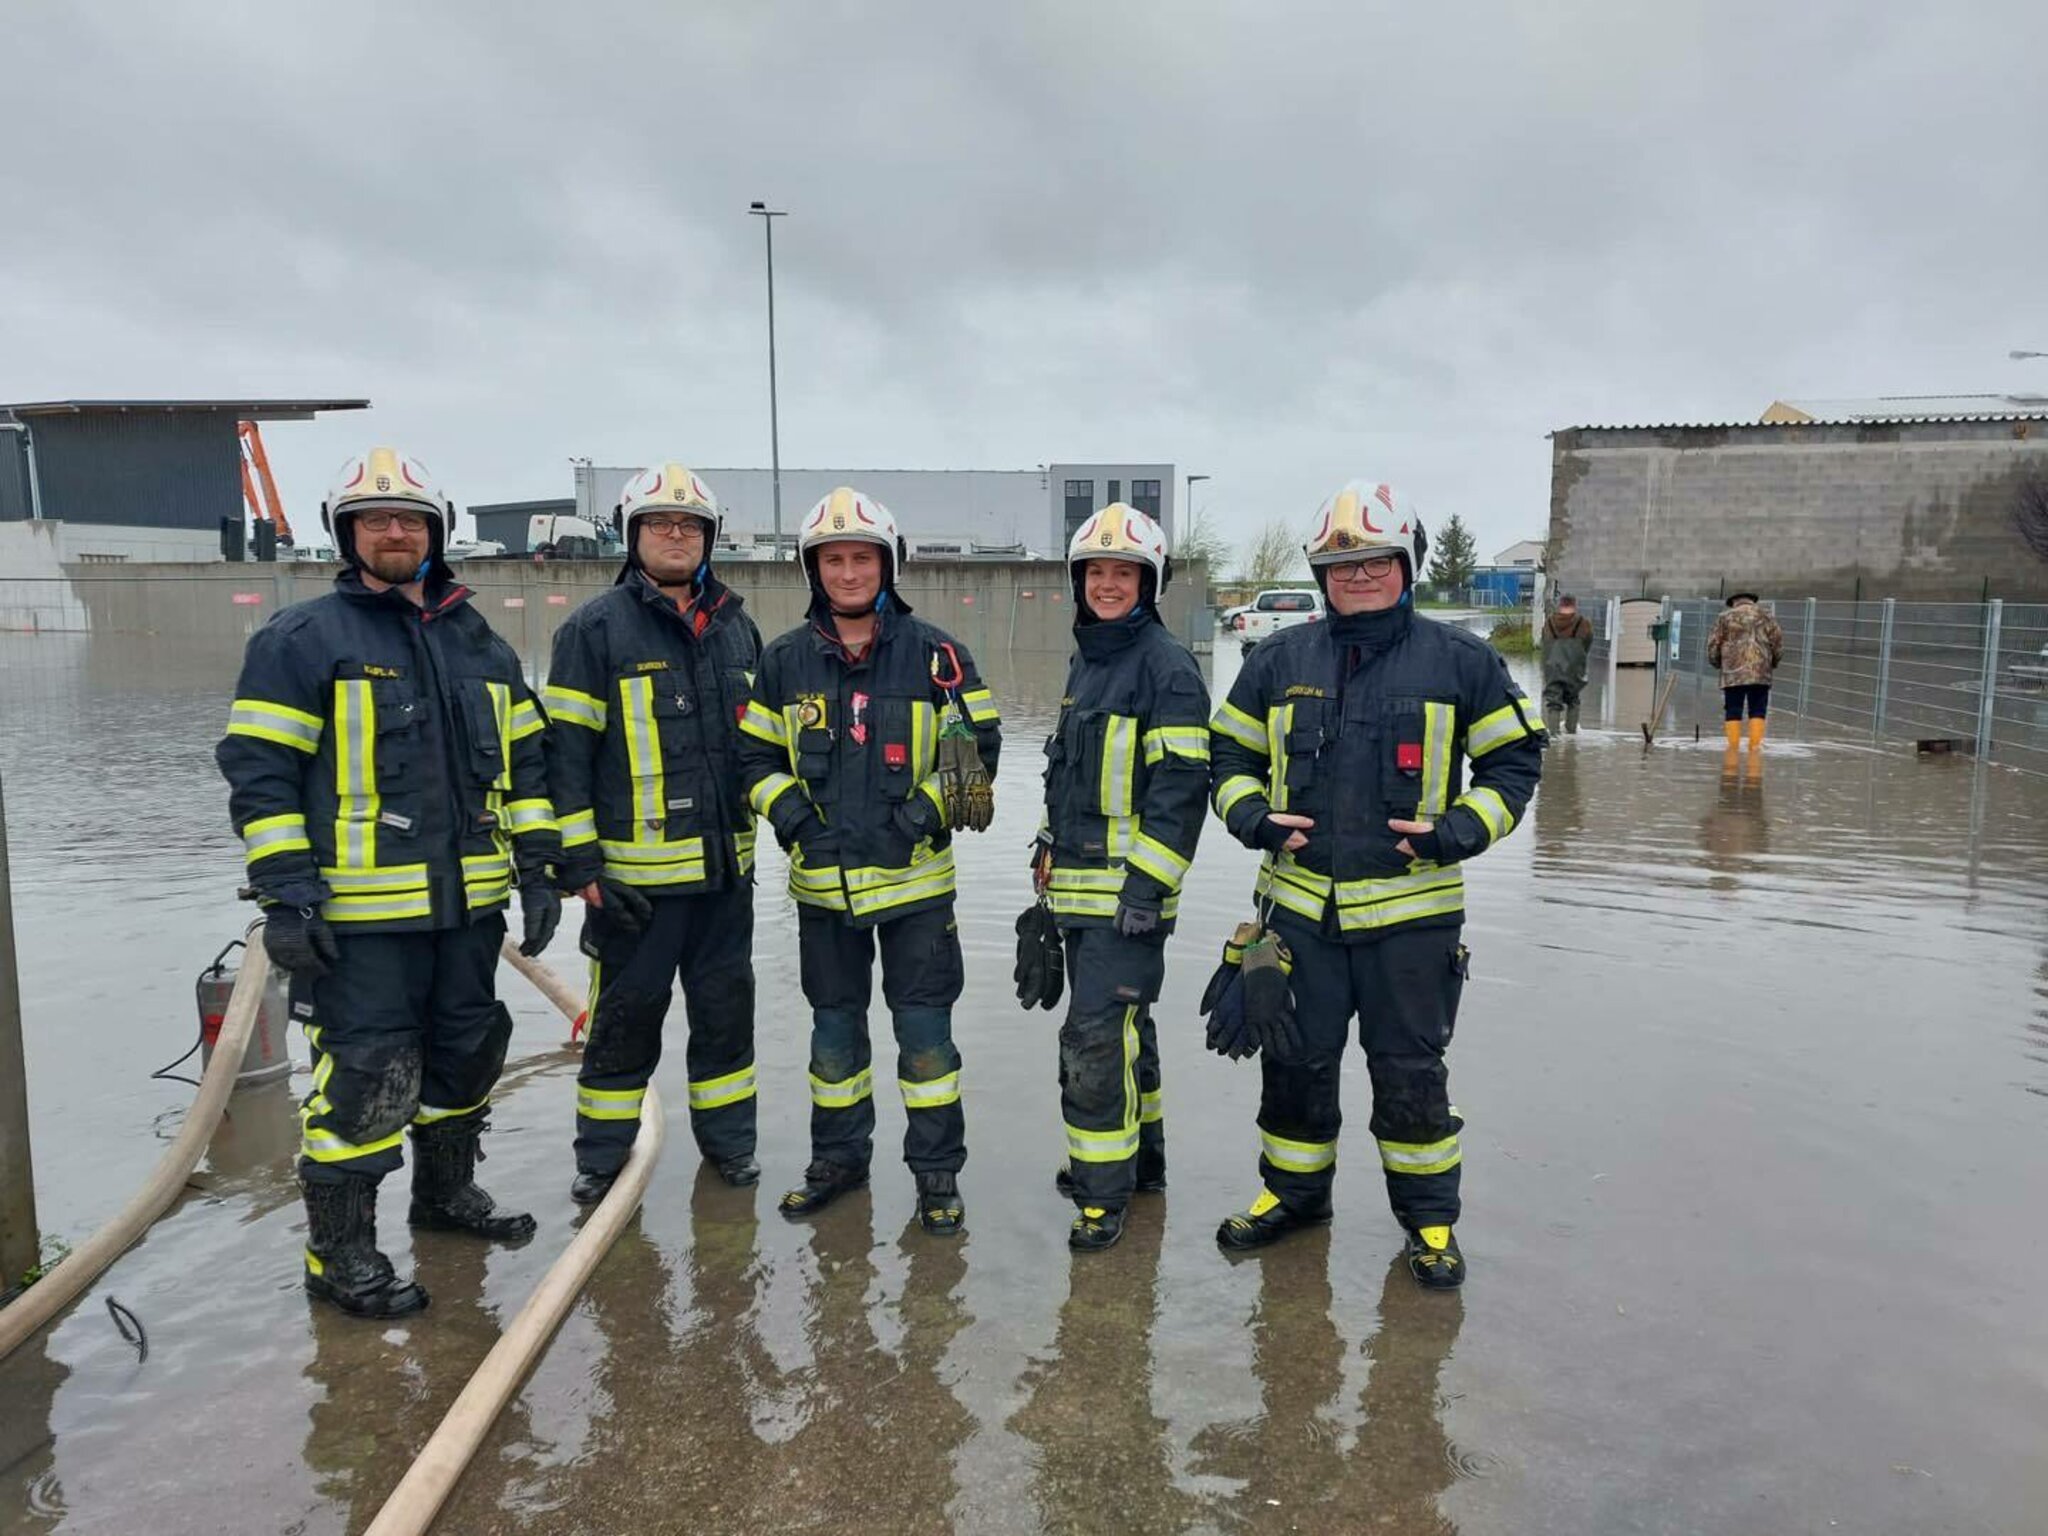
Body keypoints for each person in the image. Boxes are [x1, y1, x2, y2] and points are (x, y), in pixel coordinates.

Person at [217, 447, 561, 1318]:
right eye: (376, 519)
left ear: (437, 532)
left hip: (469, 912)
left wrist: (541, 865)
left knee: (467, 1055)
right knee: (367, 1080)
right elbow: (260, 775)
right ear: (347, 533)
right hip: (358, 925)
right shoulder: (302, 640)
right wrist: (285, 894)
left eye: (410, 519)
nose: (396, 531)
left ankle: (444, 1202)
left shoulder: (475, 641)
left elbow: (526, 762)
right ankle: (339, 1257)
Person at [1206, 480, 1543, 1286]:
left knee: (1410, 1077)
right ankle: (1292, 1199)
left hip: (1412, 926)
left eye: (1373, 562)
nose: (1357, 577)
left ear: (1406, 565)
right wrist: (1252, 816)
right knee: (1294, 1066)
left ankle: (1429, 1225)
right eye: (1340, 564)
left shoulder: (1462, 661)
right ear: (1320, 575)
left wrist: (1460, 831)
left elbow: (1514, 761)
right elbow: (1228, 757)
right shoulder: (1276, 660)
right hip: (1297, 920)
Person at [737, 487, 1001, 1234]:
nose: (848, 573)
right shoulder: (784, 661)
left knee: (925, 1045)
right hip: (823, 899)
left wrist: (917, 817)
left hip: (917, 896)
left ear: (888, 566)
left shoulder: (939, 656)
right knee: (833, 1040)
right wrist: (790, 817)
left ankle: (937, 1175)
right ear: (811, 569)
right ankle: (839, 1164)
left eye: (861, 558)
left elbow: (977, 756)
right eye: (833, 560)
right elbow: (752, 756)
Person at [542, 463, 763, 1204]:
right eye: (661, 524)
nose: (677, 534)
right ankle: (602, 1160)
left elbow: (763, 748)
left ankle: (730, 1150)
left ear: (710, 539)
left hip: (726, 880)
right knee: (623, 1026)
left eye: (692, 525)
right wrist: (578, 863)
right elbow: (564, 757)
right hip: (631, 889)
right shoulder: (592, 631)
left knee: (727, 1023)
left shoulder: (739, 628)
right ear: (632, 536)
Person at [1034, 504, 1208, 1252]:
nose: (1108, 584)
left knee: (1094, 1040)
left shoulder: (1167, 668)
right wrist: (1044, 844)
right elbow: (1070, 774)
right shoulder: (1090, 660)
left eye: (1124, 573)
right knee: (1129, 1034)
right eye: (1096, 572)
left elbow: (1180, 790)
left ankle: (1103, 1194)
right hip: (1078, 893)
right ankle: (1145, 1167)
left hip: (1127, 902)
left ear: (1150, 581)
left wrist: (1147, 889)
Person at [1706, 591, 1784, 753]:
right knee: (1758, 709)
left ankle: (1732, 750)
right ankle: (1754, 749)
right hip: (1760, 672)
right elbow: (1777, 644)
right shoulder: (1766, 617)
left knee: (1733, 708)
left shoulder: (1724, 618)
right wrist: (1772, 663)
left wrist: (1717, 663)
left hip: (1733, 673)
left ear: (1733, 602)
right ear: (1752, 602)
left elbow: (1713, 645)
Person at [1539, 593, 1594, 734]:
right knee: (1573, 700)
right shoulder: (1583, 623)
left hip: (1552, 668)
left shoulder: (1549, 623)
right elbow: (1587, 644)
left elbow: (1544, 644)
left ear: (1560, 605)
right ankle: (1571, 734)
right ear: (1574, 605)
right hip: (1574, 668)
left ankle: (1553, 735)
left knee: (1553, 703)